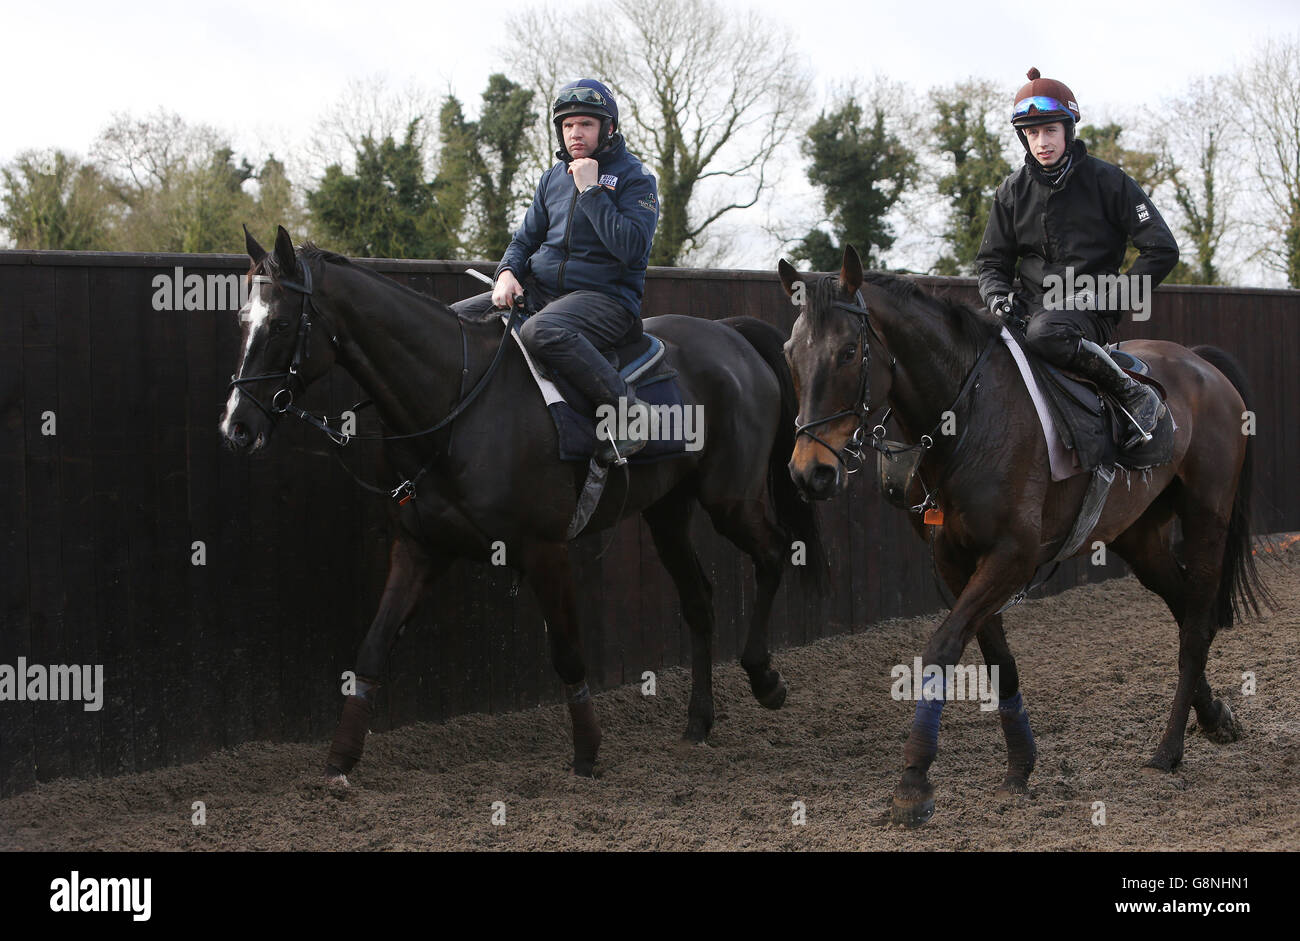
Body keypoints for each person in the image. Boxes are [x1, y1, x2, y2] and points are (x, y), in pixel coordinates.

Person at [453, 78, 660, 463]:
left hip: (607, 299)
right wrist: (506, 273)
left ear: (608, 128)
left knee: (541, 330)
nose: (575, 133)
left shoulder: (636, 178)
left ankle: (632, 413)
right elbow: (523, 240)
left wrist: (591, 191)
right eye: (567, 125)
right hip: (541, 289)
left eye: (585, 124)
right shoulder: (551, 178)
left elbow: (631, 250)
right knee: (452, 321)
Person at [976, 68, 1179, 448]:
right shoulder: (1011, 191)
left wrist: (1115, 296)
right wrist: (995, 296)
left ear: (1068, 130)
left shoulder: (1110, 181)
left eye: (1050, 130)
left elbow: (1162, 249)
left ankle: (1135, 395)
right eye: (1032, 133)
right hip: (1029, 308)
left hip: (1090, 311)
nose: (1042, 142)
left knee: (1046, 332)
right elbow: (991, 263)